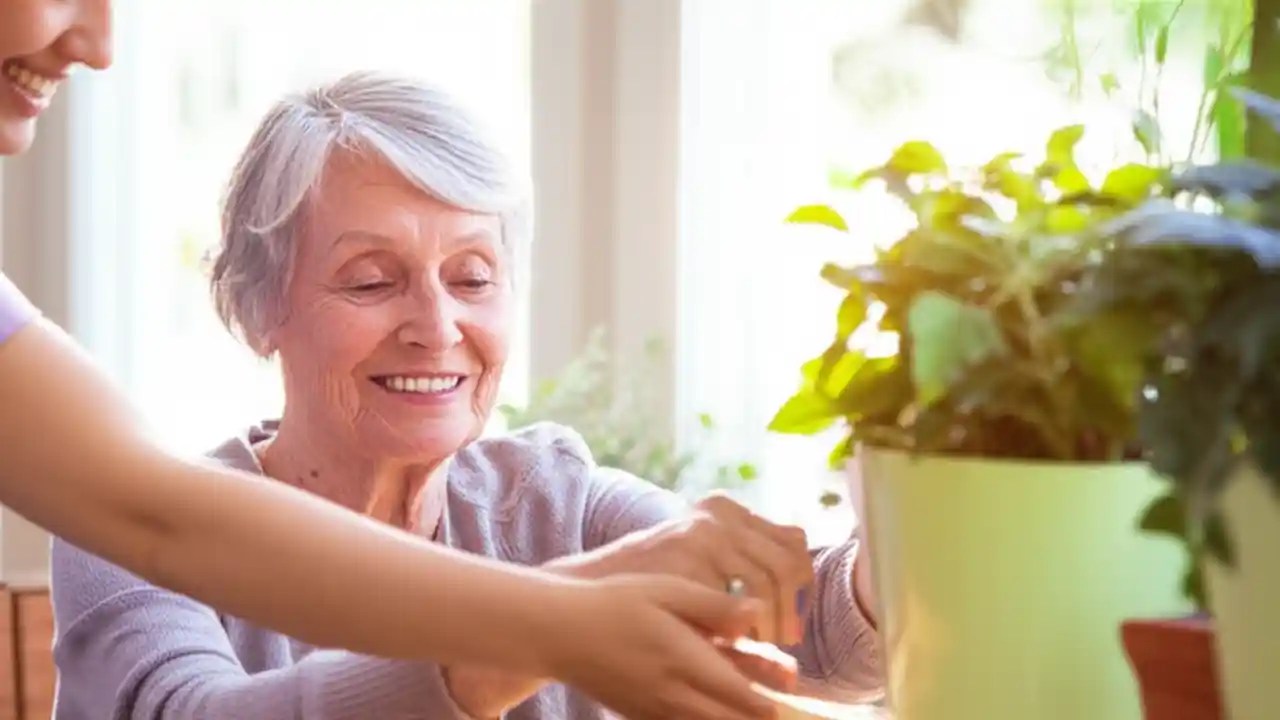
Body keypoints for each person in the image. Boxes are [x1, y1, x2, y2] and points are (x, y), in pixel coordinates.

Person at [0, 3, 785, 718]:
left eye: (474, 278)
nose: (436, 326)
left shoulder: (553, 501)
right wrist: (554, 628)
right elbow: (164, 559)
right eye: (372, 281)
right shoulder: (125, 543)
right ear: (262, 305)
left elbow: (809, 644)